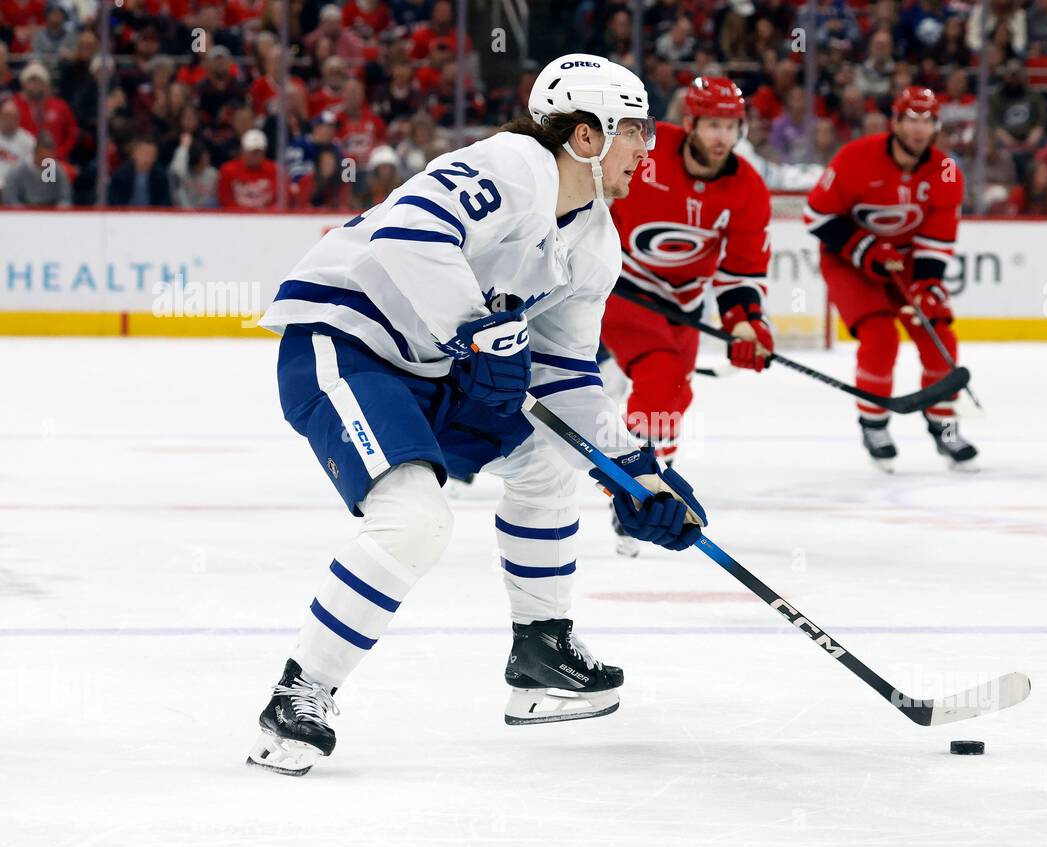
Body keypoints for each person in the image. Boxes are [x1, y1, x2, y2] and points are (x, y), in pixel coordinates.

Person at [248, 54, 707, 775]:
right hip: (351, 342)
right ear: (586, 136)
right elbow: (409, 233)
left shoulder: (596, 242)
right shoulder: (513, 164)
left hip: (441, 372)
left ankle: (540, 653)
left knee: (552, 458)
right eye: (637, 129)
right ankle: (299, 692)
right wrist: (478, 326)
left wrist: (635, 470)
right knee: (415, 522)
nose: (649, 148)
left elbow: (566, 375)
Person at [600, 76, 772, 555]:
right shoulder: (647, 152)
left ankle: (652, 493)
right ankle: (631, 494)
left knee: (672, 398)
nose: (722, 136)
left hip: (684, 304)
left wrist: (745, 324)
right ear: (691, 121)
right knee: (664, 376)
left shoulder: (749, 189)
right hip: (627, 289)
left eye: (731, 126)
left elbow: (743, 268)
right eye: (712, 124)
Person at [804, 86, 977, 472]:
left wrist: (929, 281)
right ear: (895, 121)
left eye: (928, 121)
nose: (919, 129)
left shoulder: (946, 170)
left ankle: (944, 426)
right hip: (849, 261)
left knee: (939, 332)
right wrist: (864, 248)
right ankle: (874, 423)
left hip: (908, 262)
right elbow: (816, 215)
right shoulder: (855, 157)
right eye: (911, 119)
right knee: (880, 337)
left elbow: (938, 234)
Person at [217, 127, 280, 210]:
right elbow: (225, 201)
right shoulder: (228, 170)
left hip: (267, 218)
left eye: (259, 151)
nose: (256, 155)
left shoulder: (275, 170)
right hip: (237, 219)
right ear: (242, 151)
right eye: (252, 152)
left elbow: (280, 201)